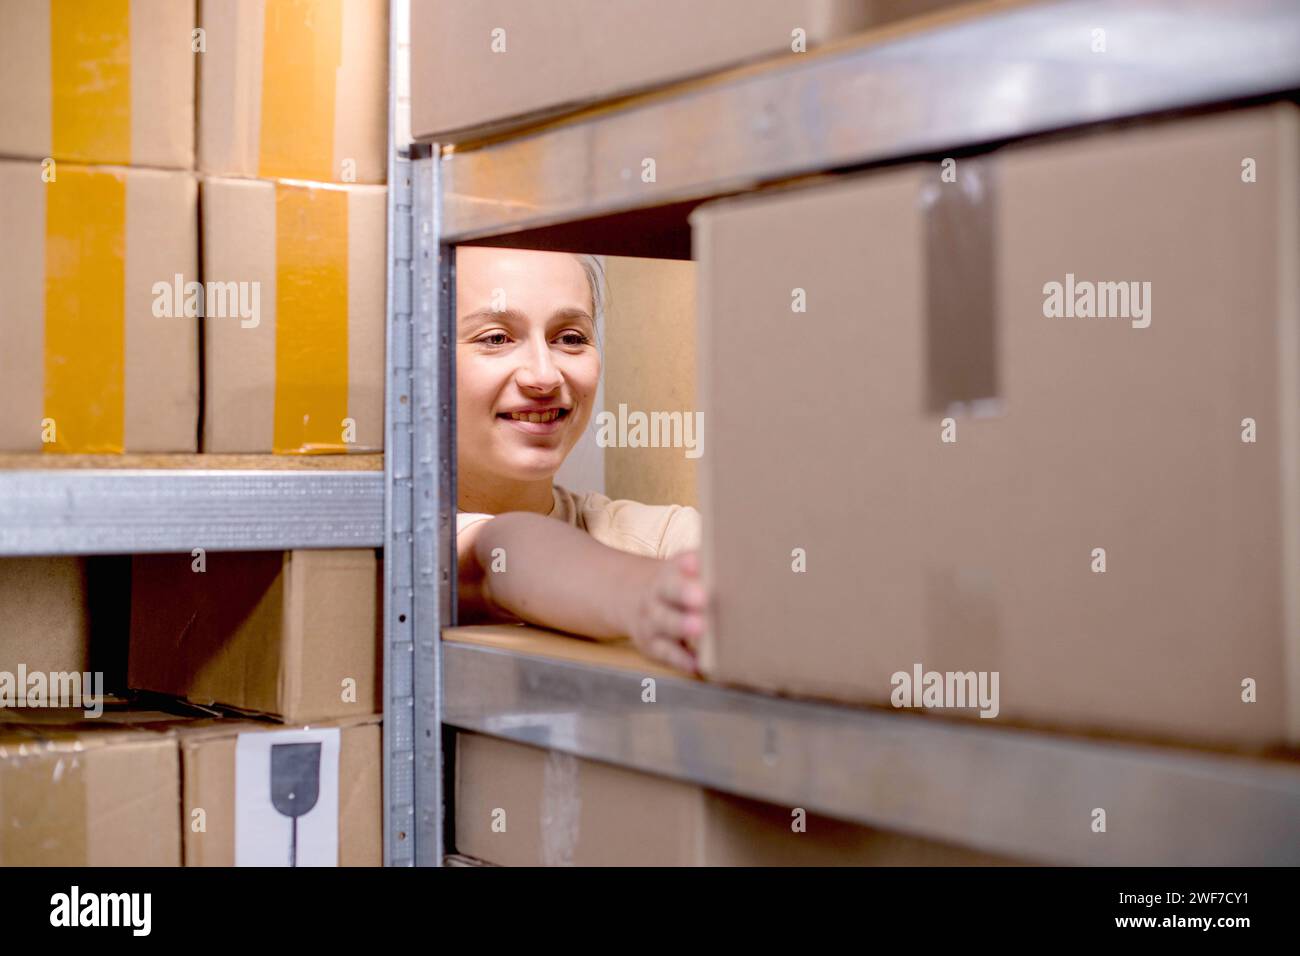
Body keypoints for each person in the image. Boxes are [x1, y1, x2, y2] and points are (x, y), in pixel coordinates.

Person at [454, 246, 706, 673]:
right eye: (496, 338)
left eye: (570, 338)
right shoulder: (398, 548)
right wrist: (647, 596)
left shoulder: (653, 536)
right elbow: (498, 554)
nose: (544, 376)